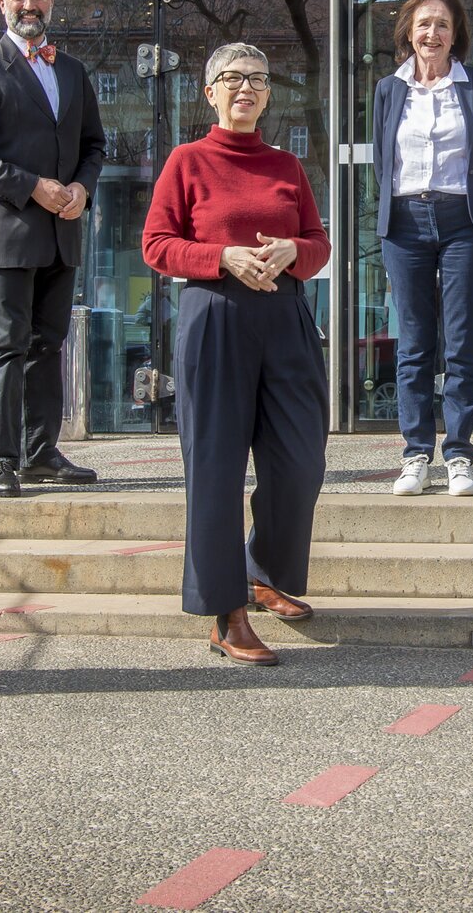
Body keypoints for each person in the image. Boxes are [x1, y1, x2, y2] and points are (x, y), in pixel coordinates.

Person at [141, 43, 330, 666]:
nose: (244, 87)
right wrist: (221, 256)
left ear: (269, 95)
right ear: (210, 93)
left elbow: (318, 243)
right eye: (231, 78)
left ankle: (263, 569)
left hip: (286, 318)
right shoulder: (187, 160)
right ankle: (227, 613)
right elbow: (156, 245)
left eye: (257, 79)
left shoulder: (287, 165)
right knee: (216, 469)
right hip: (215, 317)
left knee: (300, 461)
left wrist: (294, 252)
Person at [0, 0, 108, 499]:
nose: (29, 5)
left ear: (51, 3)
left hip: (62, 233)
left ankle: (41, 453)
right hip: (5, 234)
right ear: (2, 5)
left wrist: (83, 187)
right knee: (5, 345)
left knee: (48, 345)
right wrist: (33, 187)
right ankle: (0, 459)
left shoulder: (73, 71)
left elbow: (94, 145)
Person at [372, 0, 473, 498]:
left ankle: (459, 455)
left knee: (462, 340)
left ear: (456, 35)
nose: (433, 33)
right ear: (409, 32)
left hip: (464, 222)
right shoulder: (389, 89)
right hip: (405, 222)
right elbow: (383, 160)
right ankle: (414, 455)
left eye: (443, 25)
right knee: (413, 343)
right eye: (424, 24)